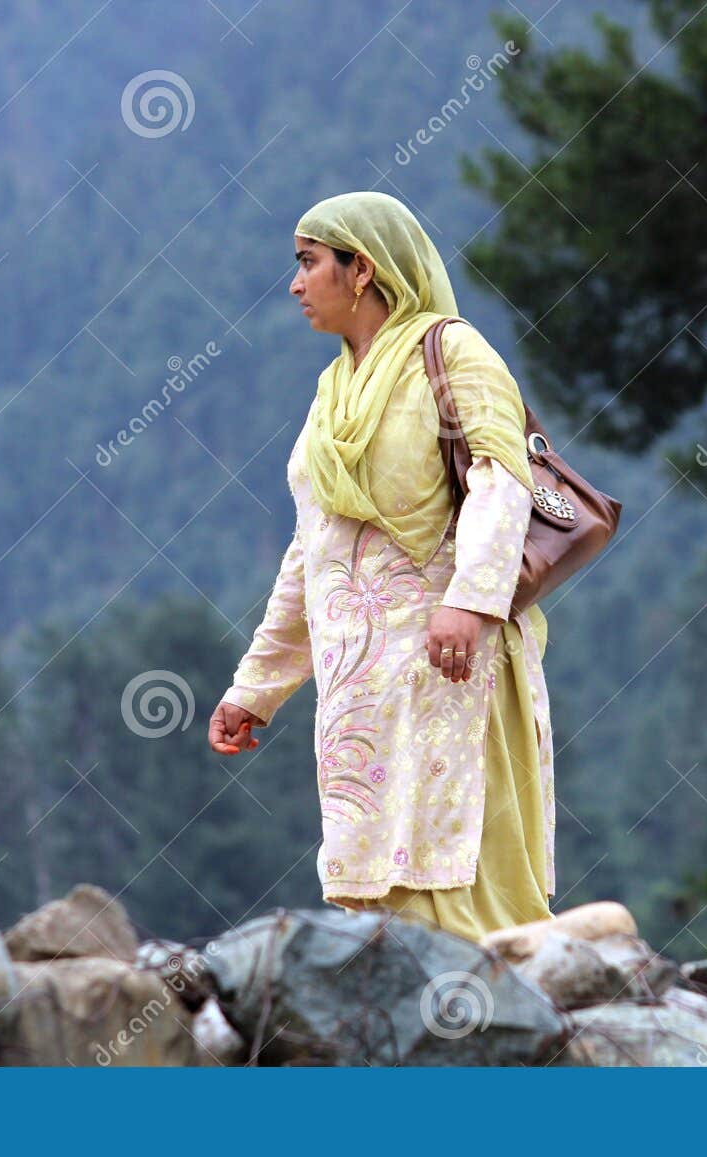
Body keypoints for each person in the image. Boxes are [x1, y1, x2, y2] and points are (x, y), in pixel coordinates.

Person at [208, 190, 557, 942]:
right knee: (376, 899)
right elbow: (314, 554)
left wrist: (470, 601)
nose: (296, 284)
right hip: (358, 692)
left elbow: (502, 480)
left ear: (361, 269)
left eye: (308, 264)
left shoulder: (454, 351)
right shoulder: (332, 391)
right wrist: (255, 689)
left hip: (451, 669)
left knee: (463, 886)